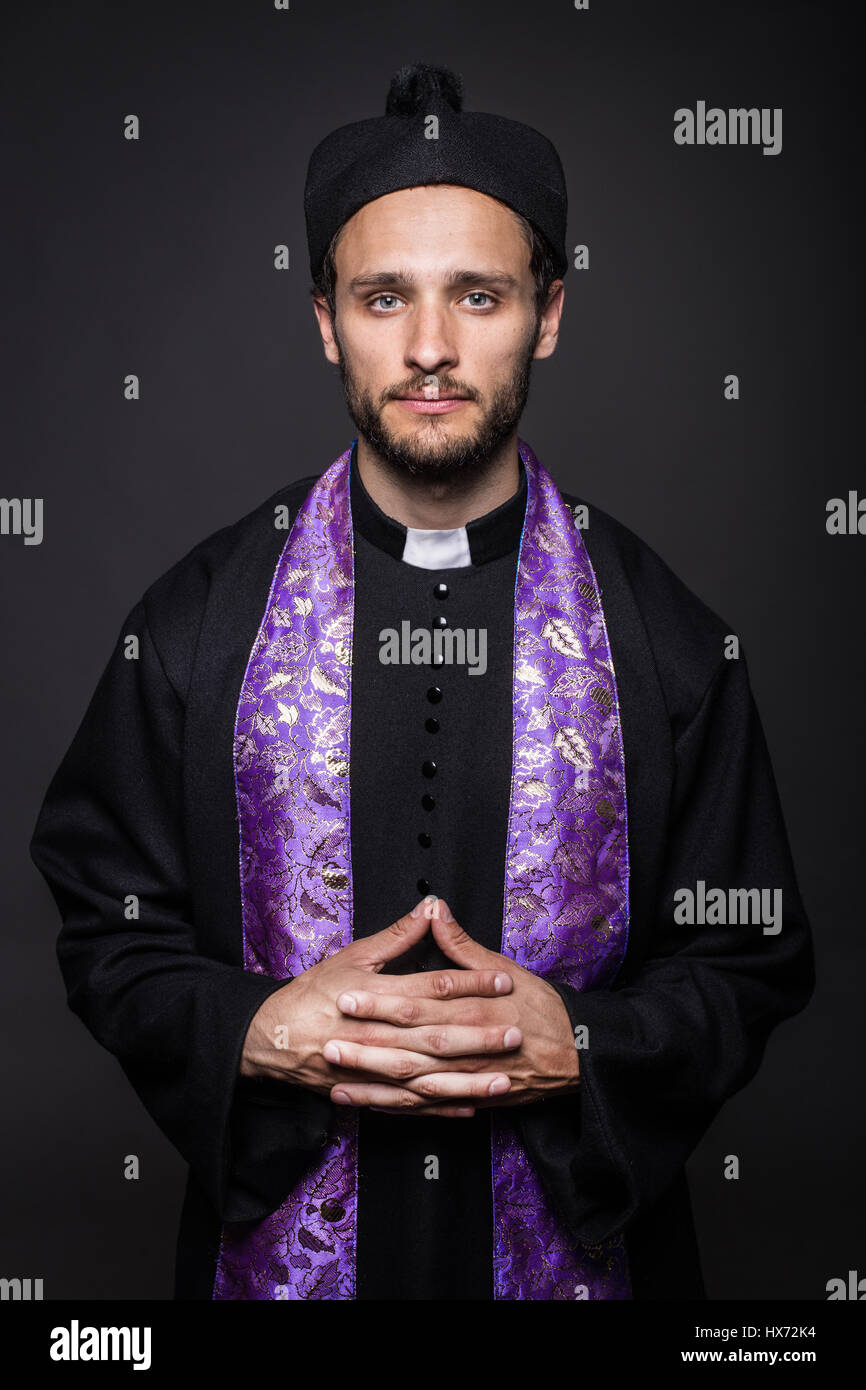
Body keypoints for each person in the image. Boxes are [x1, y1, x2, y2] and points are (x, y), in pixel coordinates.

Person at [30, 62, 814, 1301]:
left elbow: (747, 959)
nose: (432, 348)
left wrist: (589, 1044)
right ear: (324, 319)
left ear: (547, 313)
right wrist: (248, 1028)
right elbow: (104, 925)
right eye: (384, 297)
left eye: (480, 295)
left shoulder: (661, 637)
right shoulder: (199, 621)